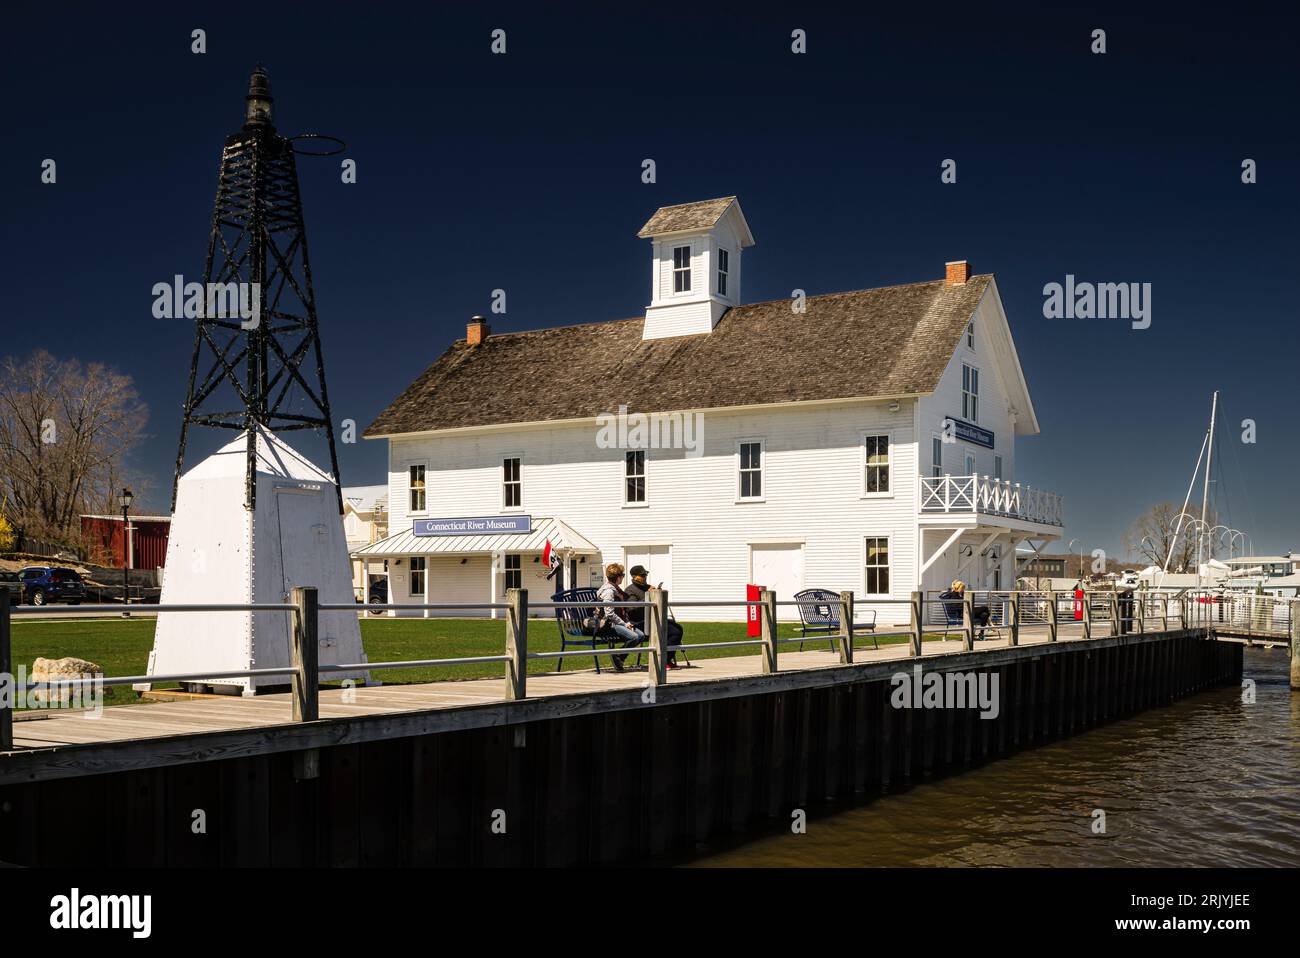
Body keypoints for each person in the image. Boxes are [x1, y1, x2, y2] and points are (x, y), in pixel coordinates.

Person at [623, 565, 684, 669]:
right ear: (634, 577)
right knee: (674, 632)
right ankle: (664, 661)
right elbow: (632, 609)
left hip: (654, 619)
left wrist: (657, 593)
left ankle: (667, 659)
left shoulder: (648, 587)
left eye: (646, 574)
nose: (645, 577)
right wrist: (649, 595)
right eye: (642, 575)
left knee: (678, 628)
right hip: (641, 622)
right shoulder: (630, 590)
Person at [596, 562, 645, 671]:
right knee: (635, 637)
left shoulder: (615, 589)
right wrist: (624, 624)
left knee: (641, 635)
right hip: (609, 624)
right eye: (622, 575)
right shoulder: (609, 591)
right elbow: (609, 614)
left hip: (618, 622)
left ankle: (619, 656)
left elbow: (622, 611)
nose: (623, 577)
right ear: (618, 577)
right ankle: (618, 656)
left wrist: (626, 622)